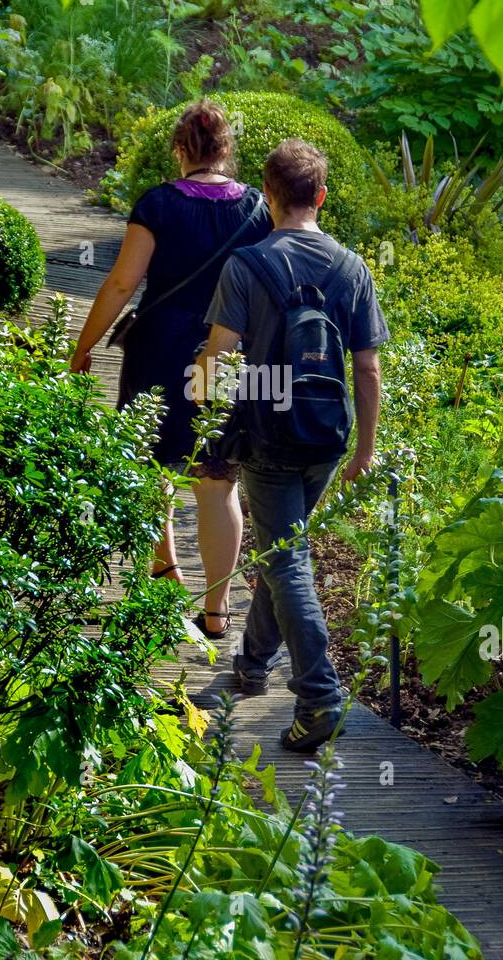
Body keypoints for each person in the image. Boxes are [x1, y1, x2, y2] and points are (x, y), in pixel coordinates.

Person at [194, 138, 388, 752]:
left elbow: (221, 355)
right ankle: (252, 666)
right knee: (285, 550)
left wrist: (199, 399)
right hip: (327, 437)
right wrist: (363, 450)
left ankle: (320, 697)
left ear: (268, 197)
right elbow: (368, 368)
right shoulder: (352, 269)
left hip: (270, 433)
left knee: (286, 561)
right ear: (321, 196)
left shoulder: (247, 265)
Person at [70, 100, 271, 637]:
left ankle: (166, 569)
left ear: (180, 150)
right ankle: (217, 609)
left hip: (158, 347)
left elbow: (120, 284)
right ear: (227, 151)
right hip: (227, 354)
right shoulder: (257, 208)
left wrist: (83, 347)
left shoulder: (157, 205)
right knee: (217, 481)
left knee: (150, 464)